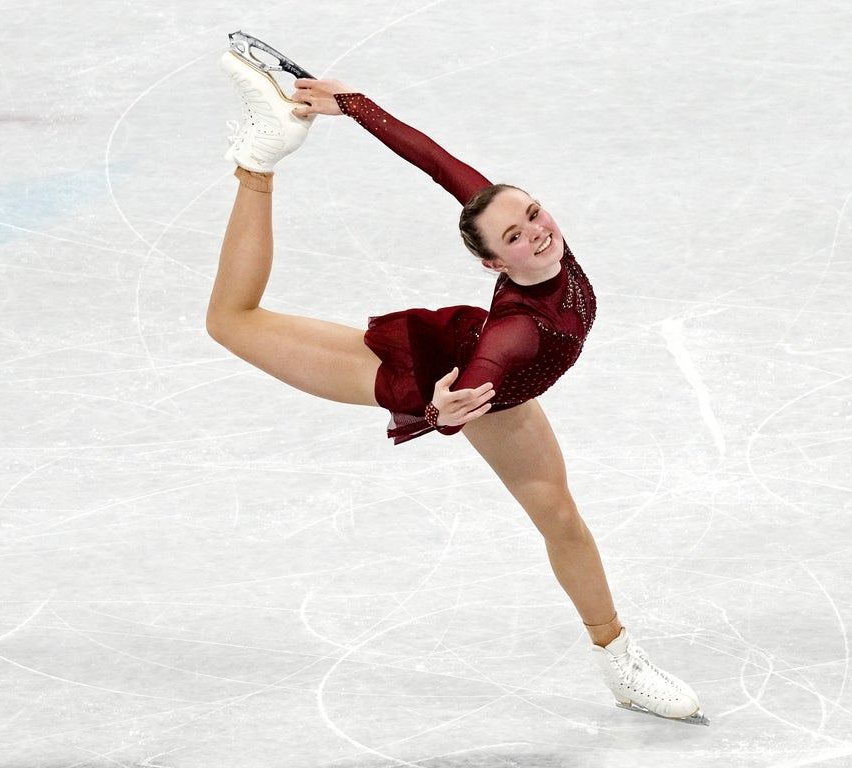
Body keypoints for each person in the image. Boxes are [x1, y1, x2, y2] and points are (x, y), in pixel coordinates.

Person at [209, 32, 708, 725]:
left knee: (561, 518)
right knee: (232, 321)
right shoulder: (516, 333)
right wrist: (445, 407)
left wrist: (355, 103)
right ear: (494, 266)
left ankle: (620, 664)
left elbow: (441, 164)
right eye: (514, 237)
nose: (535, 233)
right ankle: (257, 161)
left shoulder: (531, 238)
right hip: (439, 375)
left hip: (507, 394)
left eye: (532, 214)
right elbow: (466, 397)